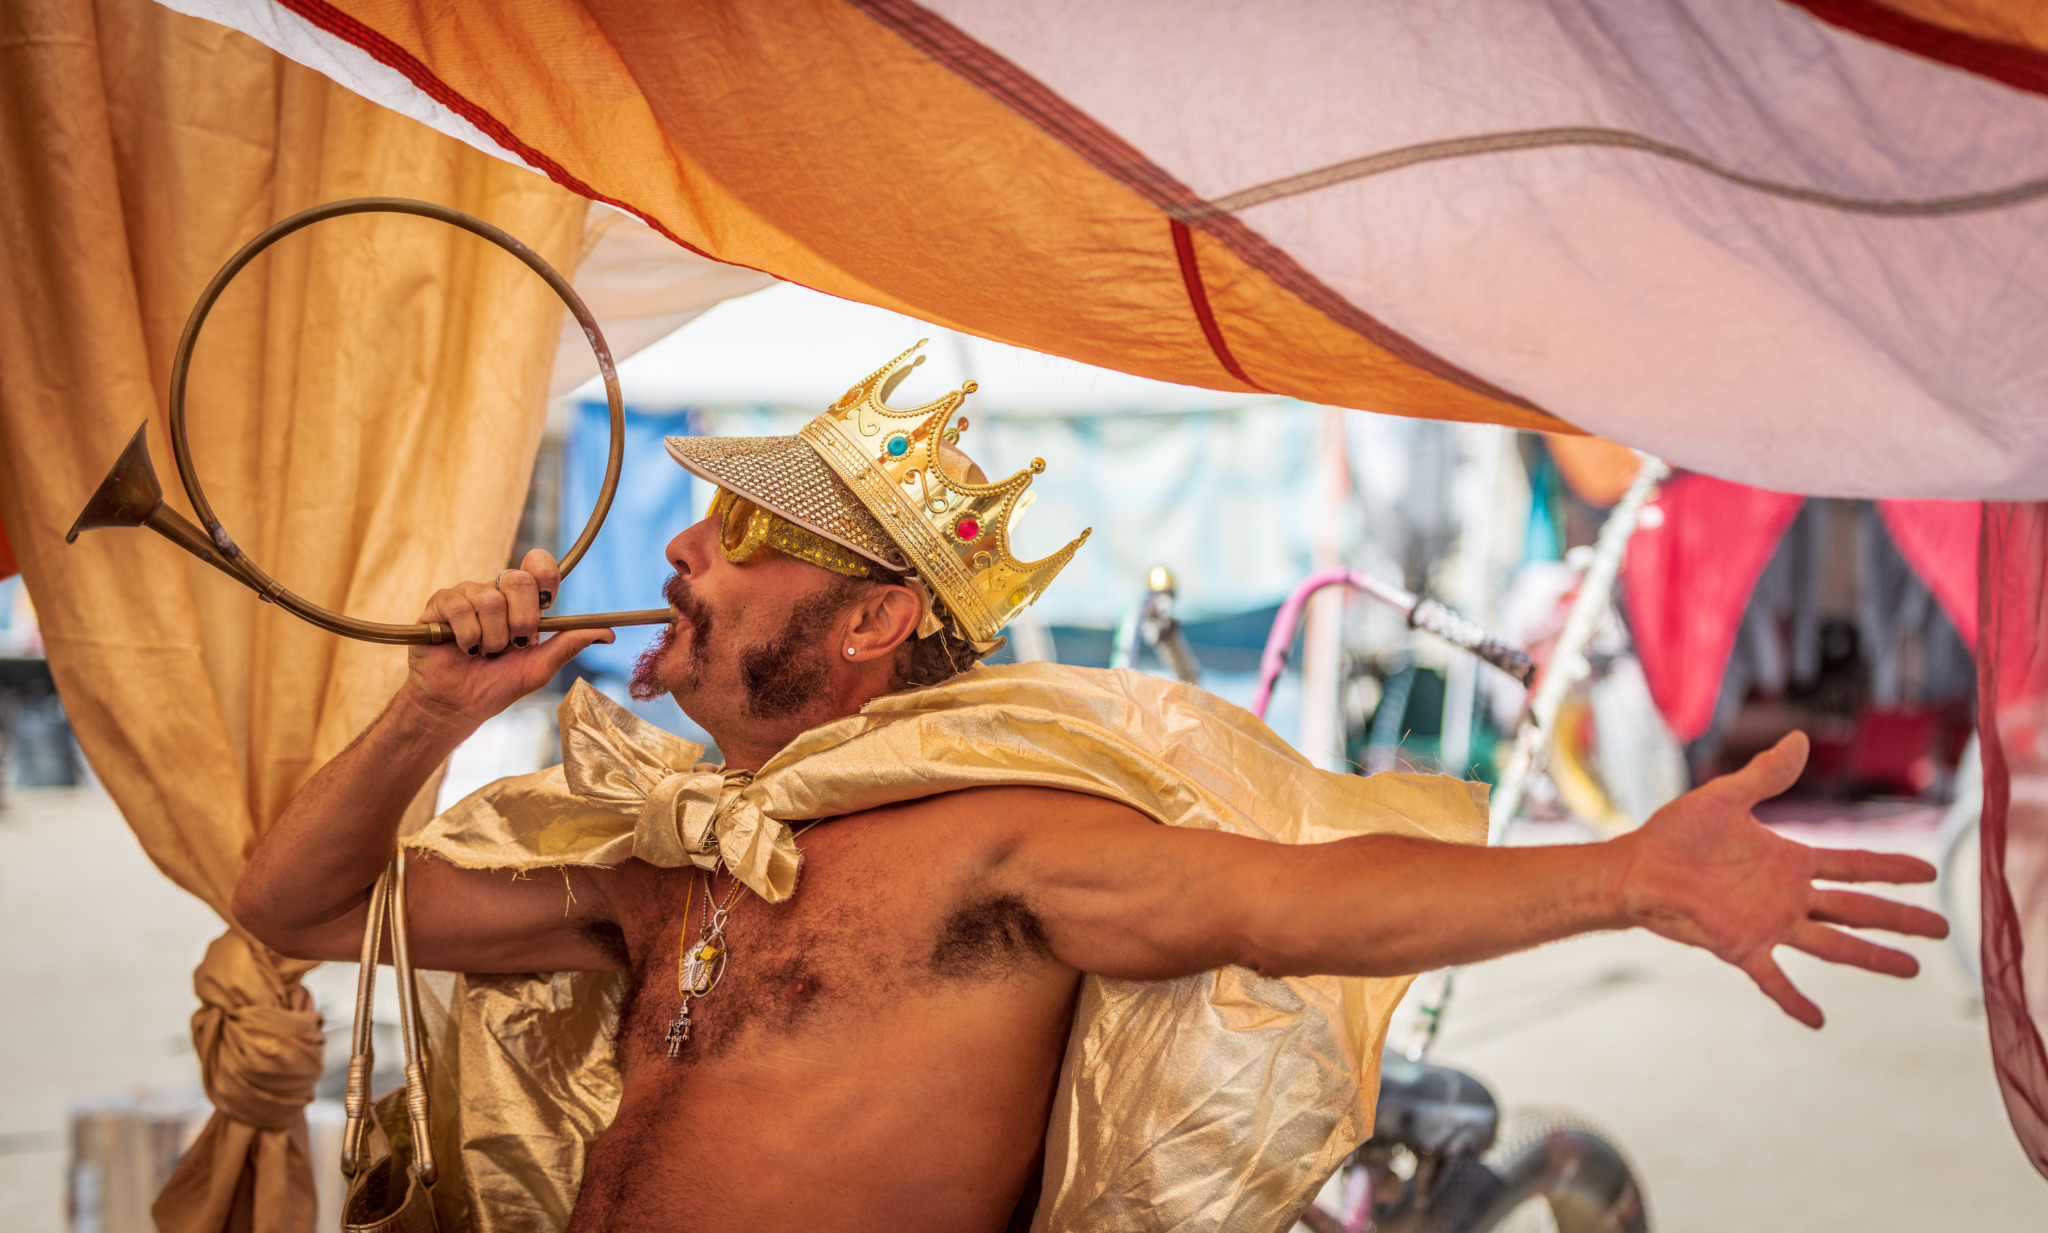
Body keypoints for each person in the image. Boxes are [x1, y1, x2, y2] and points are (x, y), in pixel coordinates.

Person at [235, 346, 1945, 1233]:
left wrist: (1627, 874)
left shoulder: (987, 843)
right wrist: (426, 715)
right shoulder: (655, 862)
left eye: (746, 535)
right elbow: (297, 906)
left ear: (875, 618)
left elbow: (1291, 899)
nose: (679, 550)